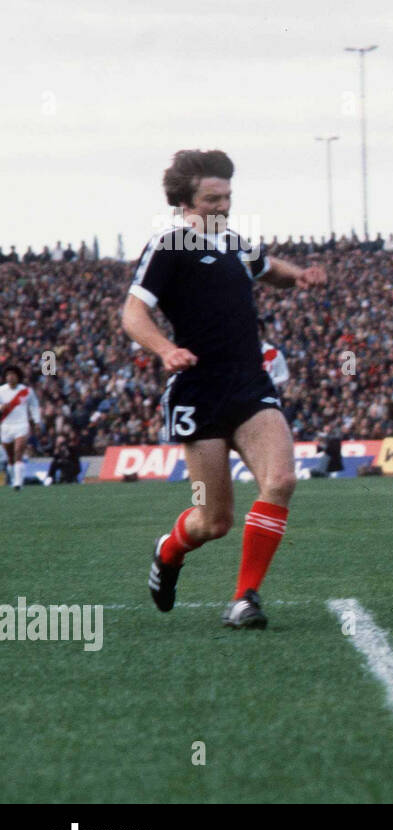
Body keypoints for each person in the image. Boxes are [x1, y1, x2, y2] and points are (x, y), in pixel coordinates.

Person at [121, 149, 327, 628]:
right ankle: (168, 550)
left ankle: (244, 598)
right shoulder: (169, 246)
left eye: (227, 197)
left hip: (249, 384)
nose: (222, 205)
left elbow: (268, 268)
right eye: (212, 198)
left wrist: (299, 276)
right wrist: (165, 349)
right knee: (213, 521)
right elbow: (133, 313)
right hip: (197, 391)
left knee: (280, 481)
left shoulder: (235, 242)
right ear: (184, 202)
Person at [0, 365, 41, 491]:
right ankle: (14, 479)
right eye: (8, 375)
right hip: (6, 426)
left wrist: (37, 421)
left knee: (19, 452)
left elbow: (34, 406)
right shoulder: (1, 391)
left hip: (21, 425)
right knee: (10, 458)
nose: (11, 377)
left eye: (13, 374)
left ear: (18, 377)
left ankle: (18, 483)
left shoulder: (26, 391)